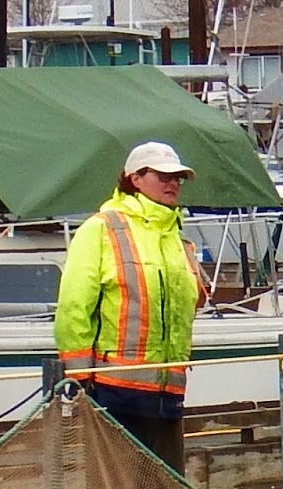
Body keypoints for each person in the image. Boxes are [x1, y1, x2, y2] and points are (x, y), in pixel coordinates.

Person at [55, 141, 206, 472]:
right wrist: (80, 379)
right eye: (163, 176)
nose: (173, 183)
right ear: (134, 178)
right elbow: (73, 307)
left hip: (168, 396)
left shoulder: (177, 237)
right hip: (113, 393)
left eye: (178, 177)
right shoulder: (102, 229)